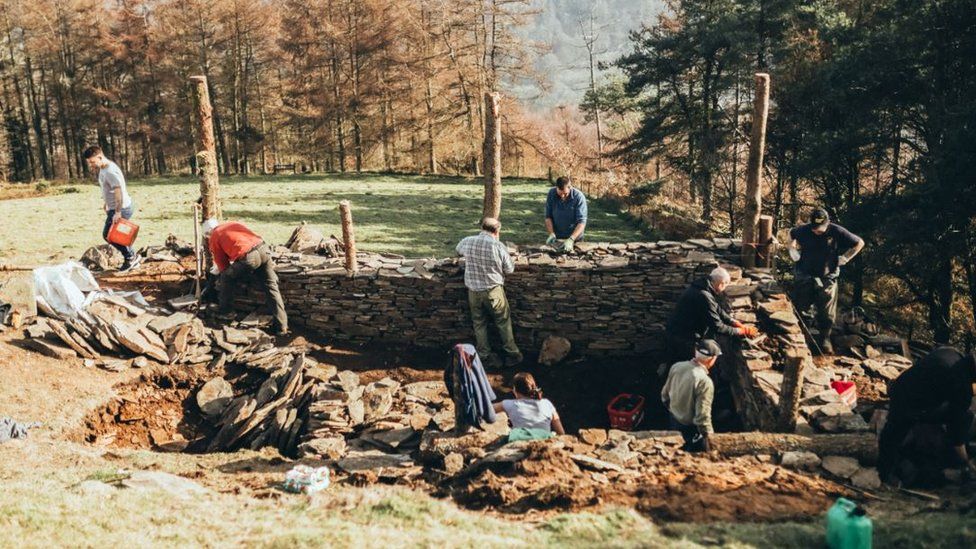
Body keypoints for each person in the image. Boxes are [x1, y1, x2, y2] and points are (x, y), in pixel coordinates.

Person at [878, 347, 976, 484]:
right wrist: (966, 461)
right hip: (909, 403)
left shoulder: (952, 353)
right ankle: (885, 474)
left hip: (900, 385)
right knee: (895, 434)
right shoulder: (961, 386)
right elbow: (957, 431)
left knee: (965, 415)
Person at [788, 208, 864, 354]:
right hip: (805, 274)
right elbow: (790, 235)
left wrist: (846, 257)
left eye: (821, 229)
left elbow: (859, 243)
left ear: (827, 223)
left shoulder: (837, 231)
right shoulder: (803, 230)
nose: (818, 232)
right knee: (801, 308)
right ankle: (800, 338)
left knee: (826, 312)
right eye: (815, 229)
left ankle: (825, 339)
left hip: (828, 276)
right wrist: (792, 249)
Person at [456, 217, 523, 369]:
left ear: (482, 227)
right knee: (502, 322)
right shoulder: (497, 246)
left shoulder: (468, 241)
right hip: (493, 291)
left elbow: (458, 250)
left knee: (479, 323)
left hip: (473, 291)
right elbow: (509, 269)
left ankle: (484, 355)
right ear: (497, 231)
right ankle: (512, 354)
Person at [203, 219, 288, 335]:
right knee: (271, 287)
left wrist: (219, 274)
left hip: (249, 258)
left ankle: (225, 312)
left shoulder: (214, 236)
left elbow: (223, 266)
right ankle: (281, 326)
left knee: (226, 278)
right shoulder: (232, 223)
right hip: (263, 249)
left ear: (208, 232)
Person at [664, 267, 758, 366]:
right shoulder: (704, 295)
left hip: (677, 333)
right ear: (722, 283)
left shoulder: (702, 287)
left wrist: (733, 321)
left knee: (676, 366)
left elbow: (717, 309)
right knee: (686, 366)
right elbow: (717, 326)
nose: (723, 290)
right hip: (683, 338)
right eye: (725, 285)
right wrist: (742, 331)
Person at [83, 145, 141, 272]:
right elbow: (108, 189)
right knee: (115, 235)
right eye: (89, 163)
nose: (91, 165)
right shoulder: (104, 168)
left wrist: (118, 212)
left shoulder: (110, 171)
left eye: (92, 162)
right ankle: (131, 257)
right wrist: (106, 203)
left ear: (100, 157)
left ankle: (131, 257)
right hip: (114, 207)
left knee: (109, 235)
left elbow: (118, 191)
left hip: (121, 208)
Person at [662, 339, 722, 452]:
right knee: (690, 452)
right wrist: (709, 437)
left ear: (696, 352)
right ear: (711, 359)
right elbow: (702, 417)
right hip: (689, 427)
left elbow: (665, 395)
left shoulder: (677, 366)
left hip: (673, 418)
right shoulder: (704, 381)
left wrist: (674, 408)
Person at [493, 372, 566, 435]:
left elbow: (487, 409)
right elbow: (561, 432)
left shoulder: (509, 404)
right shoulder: (547, 403)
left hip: (519, 441)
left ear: (514, 389)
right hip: (543, 441)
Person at [544, 176, 587, 253]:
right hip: (557, 237)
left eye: (565, 194)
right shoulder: (551, 194)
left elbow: (582, 222)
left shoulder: (579, 197)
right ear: (556, 187)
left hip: (575, 238)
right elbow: (548, 217)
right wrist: (551, 234)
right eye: (560, 194)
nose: (563, 196)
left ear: (570, 187)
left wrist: (571, 239)